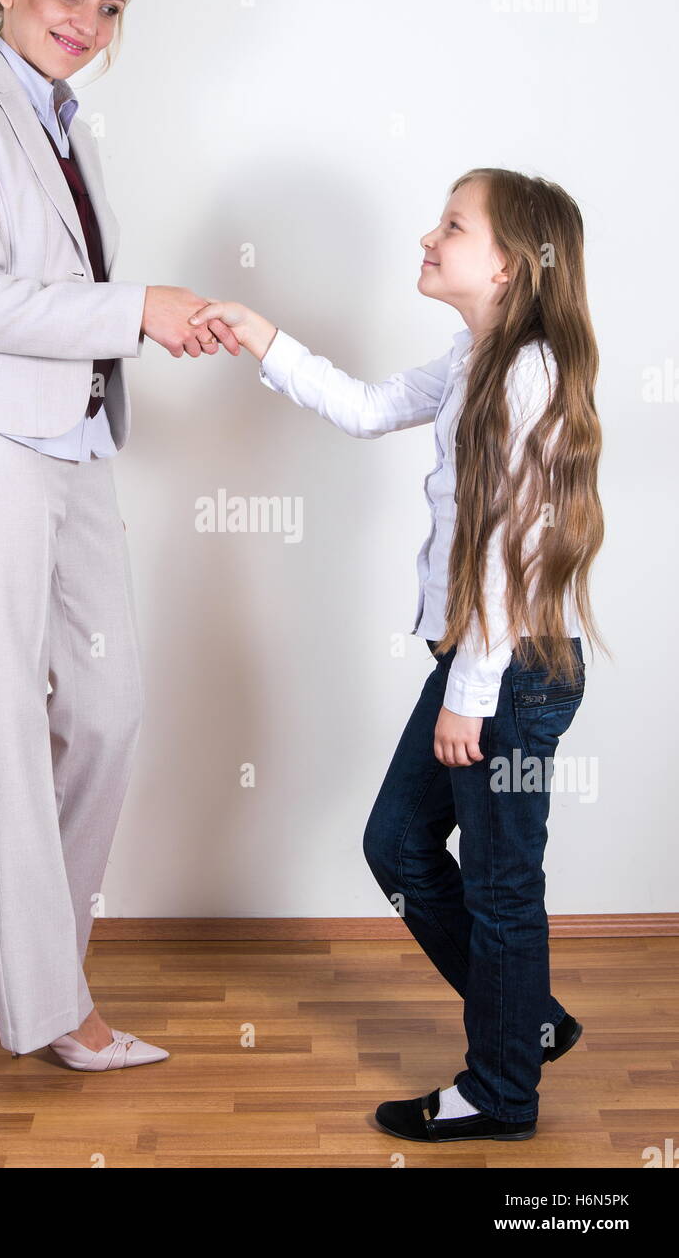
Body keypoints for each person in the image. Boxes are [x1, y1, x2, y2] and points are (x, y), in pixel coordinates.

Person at [0, 0, 238, 1071]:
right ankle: (44, 1003)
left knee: (108, 707)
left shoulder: (71, 127)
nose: (87, 20)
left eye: (111, 6)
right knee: (2, 713)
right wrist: (141, 311)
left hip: (74, 440)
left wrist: (134, 330)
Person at [189, 166, 607, 1141]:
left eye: (451, 226)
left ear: (507, 265)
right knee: (396, 844)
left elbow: (511, 547)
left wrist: (467, 696)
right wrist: (261, 335)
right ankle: (525, 1020)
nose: (428, 236)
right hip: (482, 663)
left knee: (501, 891)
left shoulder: (531, 372)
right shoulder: (477, 357)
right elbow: (368, 405)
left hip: (509, 671)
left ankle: (501, 1091)